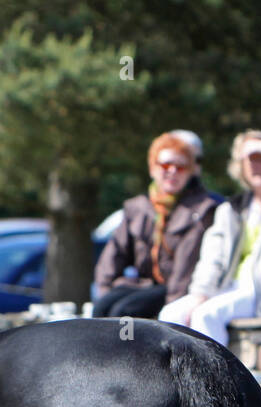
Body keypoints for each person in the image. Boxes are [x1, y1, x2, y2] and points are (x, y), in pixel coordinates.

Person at [159, 130, 261, 344]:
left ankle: (215, 378)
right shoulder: (232, 209)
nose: (258, 165)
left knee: (207, 315)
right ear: (240, 165)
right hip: (233, 289)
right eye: (252, 159)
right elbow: (212, 259)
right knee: (170, 315)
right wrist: (201, 293)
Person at [92, 131, 220, 319]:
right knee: (102, 308)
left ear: (191, 171)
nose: (172, 171)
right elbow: (111, 261)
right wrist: (106, 292)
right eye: (166, 165)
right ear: (153, 168)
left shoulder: (203, 209)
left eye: (181, 167)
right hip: (143, 286)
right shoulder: (138, 208)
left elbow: (184, 272)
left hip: (176, 292)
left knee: (125, 313)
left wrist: (170, 315)